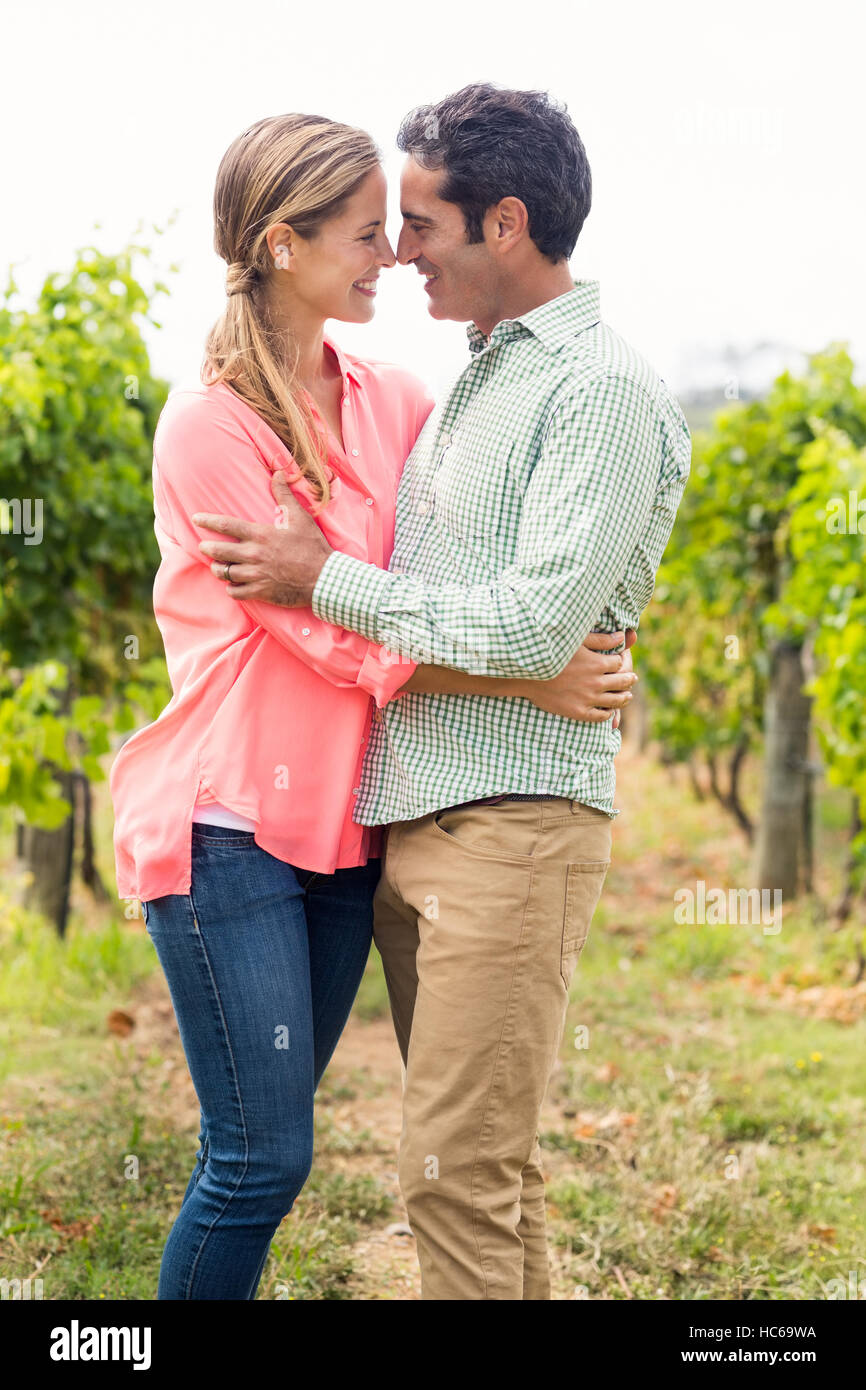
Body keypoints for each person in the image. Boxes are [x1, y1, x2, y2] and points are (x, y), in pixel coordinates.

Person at [109, 110, 636, 1301]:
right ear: (284, 246)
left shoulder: (398, 399)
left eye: (398, 229)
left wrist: (554, 625)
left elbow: (434, 589)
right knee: (260, 1157)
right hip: (225, 826)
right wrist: (529, 673)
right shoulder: (210, 429)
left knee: (415, 1148)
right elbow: (323, 636)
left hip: (351, 829)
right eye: (363, 234)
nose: (392, 254)